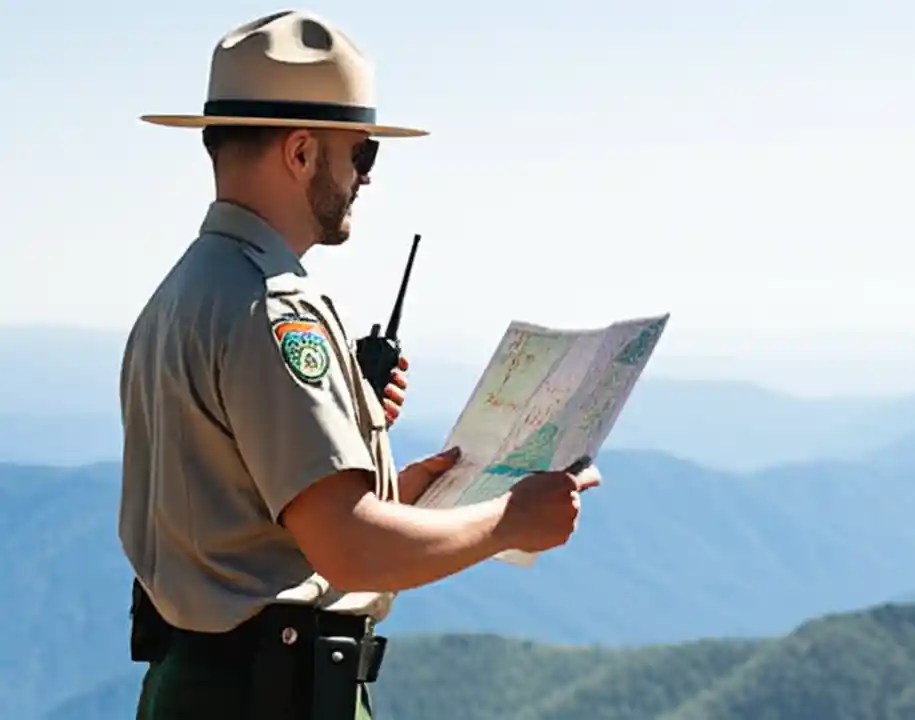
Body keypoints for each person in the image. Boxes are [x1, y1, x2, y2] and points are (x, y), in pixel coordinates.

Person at [119, 10, 599, 720]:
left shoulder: (186, 292)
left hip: (204, 685)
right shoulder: (272, 309)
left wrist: (393, 494)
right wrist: (511, 519)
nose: (365, 179)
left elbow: (245, 532)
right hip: (268, 698)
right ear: (303, 152)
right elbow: (348, 551)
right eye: (363, 153)